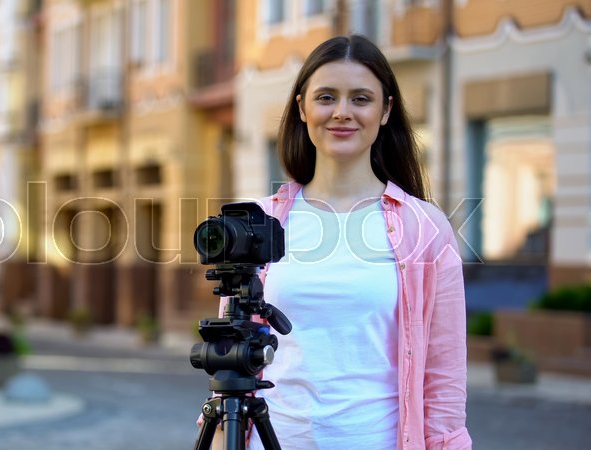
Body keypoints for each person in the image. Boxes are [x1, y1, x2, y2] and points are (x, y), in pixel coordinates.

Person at [200, 35, 471, 450]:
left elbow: (444, 379)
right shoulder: (259, 222)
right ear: (302, 108)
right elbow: (232, 353)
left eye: (361, 99)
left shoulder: (425, 228)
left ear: (386, 111)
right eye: (326, 97)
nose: (342, 113)